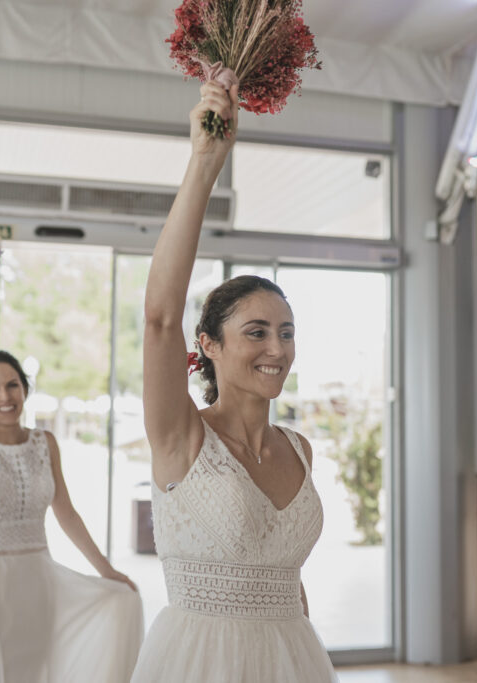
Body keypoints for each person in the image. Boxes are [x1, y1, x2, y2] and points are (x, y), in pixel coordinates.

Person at [130, 79, 338, 681]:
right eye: (256, 332)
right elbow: (160, 316)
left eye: (287, 331)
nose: (278, 348)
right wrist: (205, 162)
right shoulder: (181, 439)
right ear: (208, 346)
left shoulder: (299, 448)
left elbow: (289, 590)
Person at [0, 281, 142, 683]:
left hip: (37, 588)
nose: (4, 396)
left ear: (25, 390)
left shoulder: (47, 444)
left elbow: (67, 514)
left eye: (12, 385)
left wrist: (107, 570)